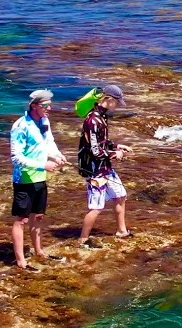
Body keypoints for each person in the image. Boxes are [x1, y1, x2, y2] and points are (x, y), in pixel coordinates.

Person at [9, 89, 68, 271]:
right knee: (22, 220)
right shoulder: (21, 126)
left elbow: (48, 143)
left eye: (50, 104)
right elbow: (15, 157)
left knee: (39, 216)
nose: (49, 108)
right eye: (45, 105)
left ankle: (39, 251)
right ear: (34, 106)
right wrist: (42, 164)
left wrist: (57, 156)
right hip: (24, 179)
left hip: (40, 178)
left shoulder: (44, 121)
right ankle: (21, 262)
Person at [77, 84, 132, 248]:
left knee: (121, 196)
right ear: (108, 99)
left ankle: (122, 231)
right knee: (96, 208)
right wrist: (114, 154)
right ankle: (83, 240)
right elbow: (94, 151)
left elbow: (102, 142)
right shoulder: (93, 120)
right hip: (95, 171)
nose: (117, 106)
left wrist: (117, 146)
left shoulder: (102, 117)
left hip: (105, 167)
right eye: (117, 102)